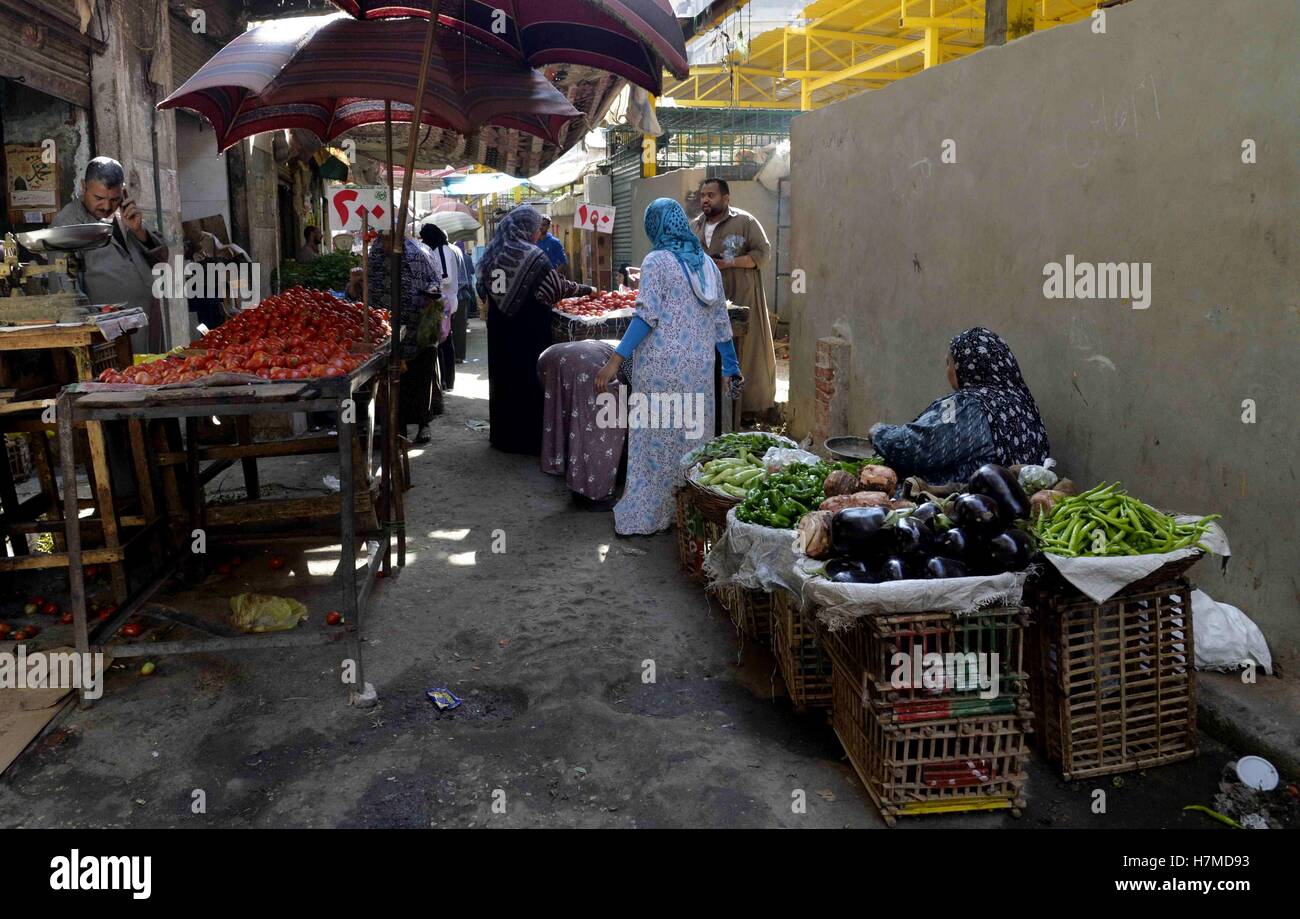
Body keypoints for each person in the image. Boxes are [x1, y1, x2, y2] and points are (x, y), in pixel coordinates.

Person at [595, 198, 742, 536]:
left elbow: (645, 316)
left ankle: (652, 510)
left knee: (656, 440)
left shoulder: (657, 261)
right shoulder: (707, 264)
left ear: (655, 226)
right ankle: (688, 510)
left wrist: (615, 360)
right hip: (698, 370)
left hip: (660, 368)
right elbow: (721, 322)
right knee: (692, 439)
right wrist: (730, 367)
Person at [477, 206, 594, 455]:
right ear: (525, 228)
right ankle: (528, 440)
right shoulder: (533, 255)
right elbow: (554, 289)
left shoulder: (492, 253)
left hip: (499, 329)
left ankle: (503, 437)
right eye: (534, 228)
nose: (537, 233)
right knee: (529, 381)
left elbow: (482, 288)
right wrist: (585, 290)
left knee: (503, 379)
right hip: (528, 330)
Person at [868, 327, 1051, 485]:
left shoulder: (964, 405)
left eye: (949, 363)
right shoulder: (1023, 403)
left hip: (968, 502)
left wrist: (879, 433)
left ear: (965, 367)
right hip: (1017, 498)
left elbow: (919, 447)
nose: (947, 370)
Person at [52, 156, 168, 352]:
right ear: (83, 186)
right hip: (108, 336)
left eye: (114, 199)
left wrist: (138, 230)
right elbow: (64, 292)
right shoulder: (67, 224)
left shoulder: (125, 215)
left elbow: (161, 258)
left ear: (123, 192)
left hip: (145, 323)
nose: (107, 206)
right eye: (99, 198)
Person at [691, 177, 776, 420]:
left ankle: (746, 410)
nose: (705, 200)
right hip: (707, 299)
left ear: (726, 198)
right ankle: (712, 409)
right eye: (703, 195)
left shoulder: (745, 222)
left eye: (711, 195)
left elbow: (763, 254)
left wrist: (729, 263)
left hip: (741, 296)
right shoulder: (695, 226)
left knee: (745, 352)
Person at [537, 339, 631, 509]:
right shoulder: (642, 360)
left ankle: (578, 479)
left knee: (578, 423)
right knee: (606, 430)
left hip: (551, 357)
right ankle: (595, 496)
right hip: (591, 367)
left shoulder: (619, 346)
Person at [368, 231, 441, 444]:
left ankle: (423, 423)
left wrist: (430, 294)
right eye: (383, 238)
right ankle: (398, 428)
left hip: (420, 329)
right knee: (393, 382)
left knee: (421, 379)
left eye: (389, 238)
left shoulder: (419, 253)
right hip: (388, 333)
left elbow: (435, 282)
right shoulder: (375, 257)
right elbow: (367, 290)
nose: (386, 243)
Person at [418, 222, 460, 392]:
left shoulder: (442, 250)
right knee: (443, 342)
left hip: (445, 301)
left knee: (444, 342)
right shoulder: (441, 249)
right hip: (445, 301)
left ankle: (447, 380)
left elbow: (446, 276)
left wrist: (429, 283)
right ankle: (446, 381)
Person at [451, 243, 474, 362]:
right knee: (460, 326)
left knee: (450, 327)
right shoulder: (465, 256)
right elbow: (473, 271)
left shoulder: (448, 252)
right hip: (464, 291)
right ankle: (460, 356)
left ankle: (453, 355)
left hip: (453, 294)